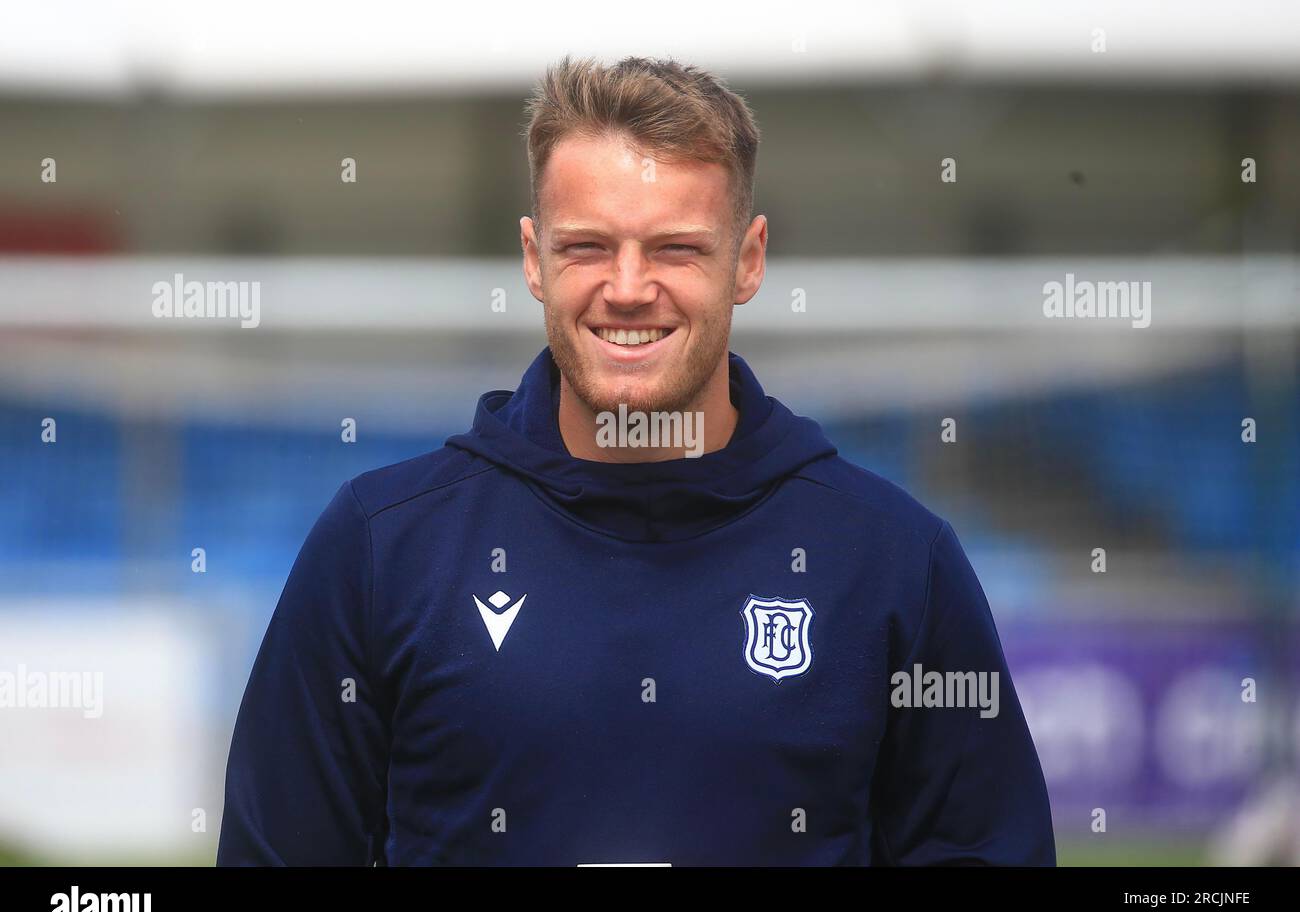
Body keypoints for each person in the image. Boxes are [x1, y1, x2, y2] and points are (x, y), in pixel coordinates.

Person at [217, 54, 1055, 866]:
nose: (627, 287)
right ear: (533, 258)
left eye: (675, 249)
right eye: (586, 246)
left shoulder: (894, 561)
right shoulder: (380, 547)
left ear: (749, 260)